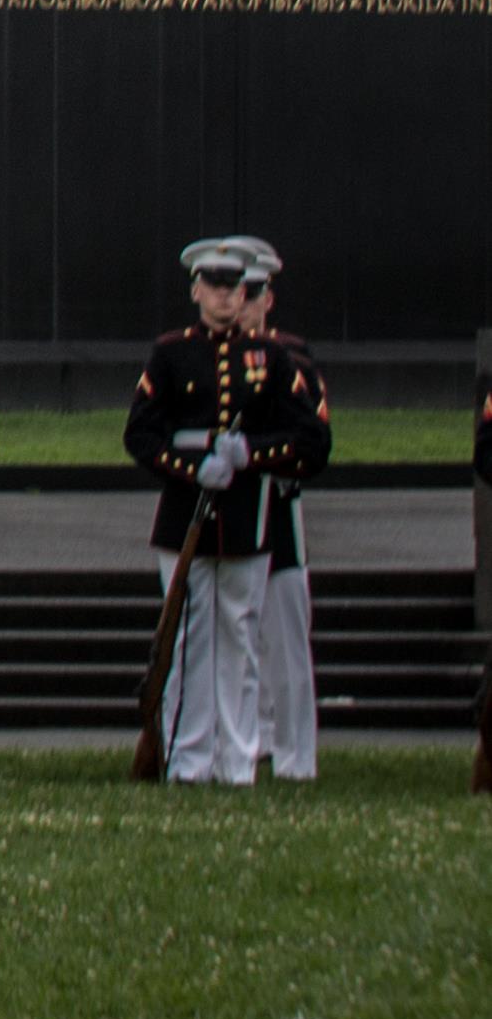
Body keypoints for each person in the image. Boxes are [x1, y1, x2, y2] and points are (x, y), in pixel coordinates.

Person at [123, 237, 324, 786]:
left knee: (240, 632)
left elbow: (310, 438)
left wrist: (252, 455)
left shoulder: (273, 357)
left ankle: (237, 759)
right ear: (196, 290)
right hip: (185, 513)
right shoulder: (170, 354)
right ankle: (187, 758)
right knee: (187, 635)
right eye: (215, 286)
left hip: (245, 515)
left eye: (234, 287)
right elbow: (140, 433)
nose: (225, 297)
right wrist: (189, 465)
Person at [241, 245, 324, 782]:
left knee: (287, 640)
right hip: (224, 509)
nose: (239, 303)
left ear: (268, 299)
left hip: (274, 503)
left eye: (249, 293)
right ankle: (248, 740)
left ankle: (295, 755)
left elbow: (311, 440)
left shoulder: (291, 358)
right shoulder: (198, 354)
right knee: (234, 637)